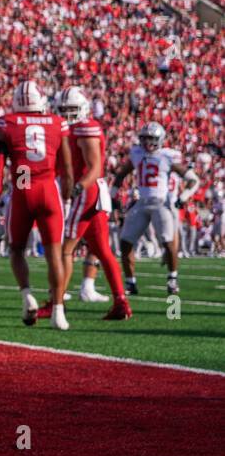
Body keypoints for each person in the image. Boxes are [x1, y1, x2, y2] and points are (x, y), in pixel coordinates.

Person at [0, 80, 74, 330]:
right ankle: (58, 311)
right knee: (54, 254)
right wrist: (67, 198)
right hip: (48, 189)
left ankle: (27, 295)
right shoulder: (58, 123)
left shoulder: (7, 123)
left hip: (23, 189)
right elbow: (67, 169)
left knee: (16, 250)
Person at [57, 86, 131, 320]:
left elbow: (95, 167)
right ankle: (121, 301)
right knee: (102, 250)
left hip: (86, 191)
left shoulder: (85, 128)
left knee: (65, 250)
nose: (68, 114)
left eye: (72, 109)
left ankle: (56, 301)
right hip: (92, 192)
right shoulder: (73, 129)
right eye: (64, 110)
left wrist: (78, 188)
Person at [110, 121, 199, 296]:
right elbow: (120, 175)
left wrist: (183, 198)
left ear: (160, 139)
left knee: (168, 242)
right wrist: (113, 198)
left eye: (151, 139)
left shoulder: (166, 156)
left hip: (161, 203)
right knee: (125, 242)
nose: (147, 143)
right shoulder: (136, 154)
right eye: (144, 138)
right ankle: (130, 283)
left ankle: (172, 279)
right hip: (142, 202)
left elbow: (193, 180)